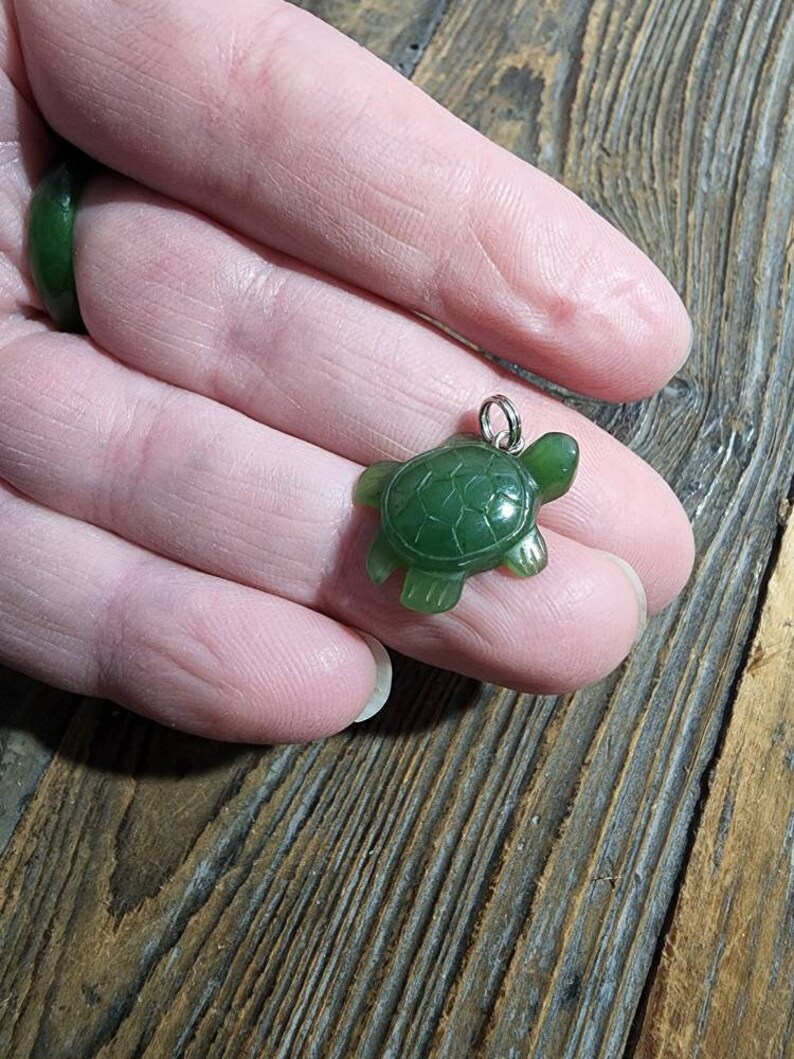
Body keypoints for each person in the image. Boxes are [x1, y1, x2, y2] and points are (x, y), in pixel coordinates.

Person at [0, 0, 694, 743]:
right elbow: (521, 548)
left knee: (420, 549)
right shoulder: (518, 512)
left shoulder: (495, 472)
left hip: (409, 488)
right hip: (422, 495)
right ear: (537, 476)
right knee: (422, 564)